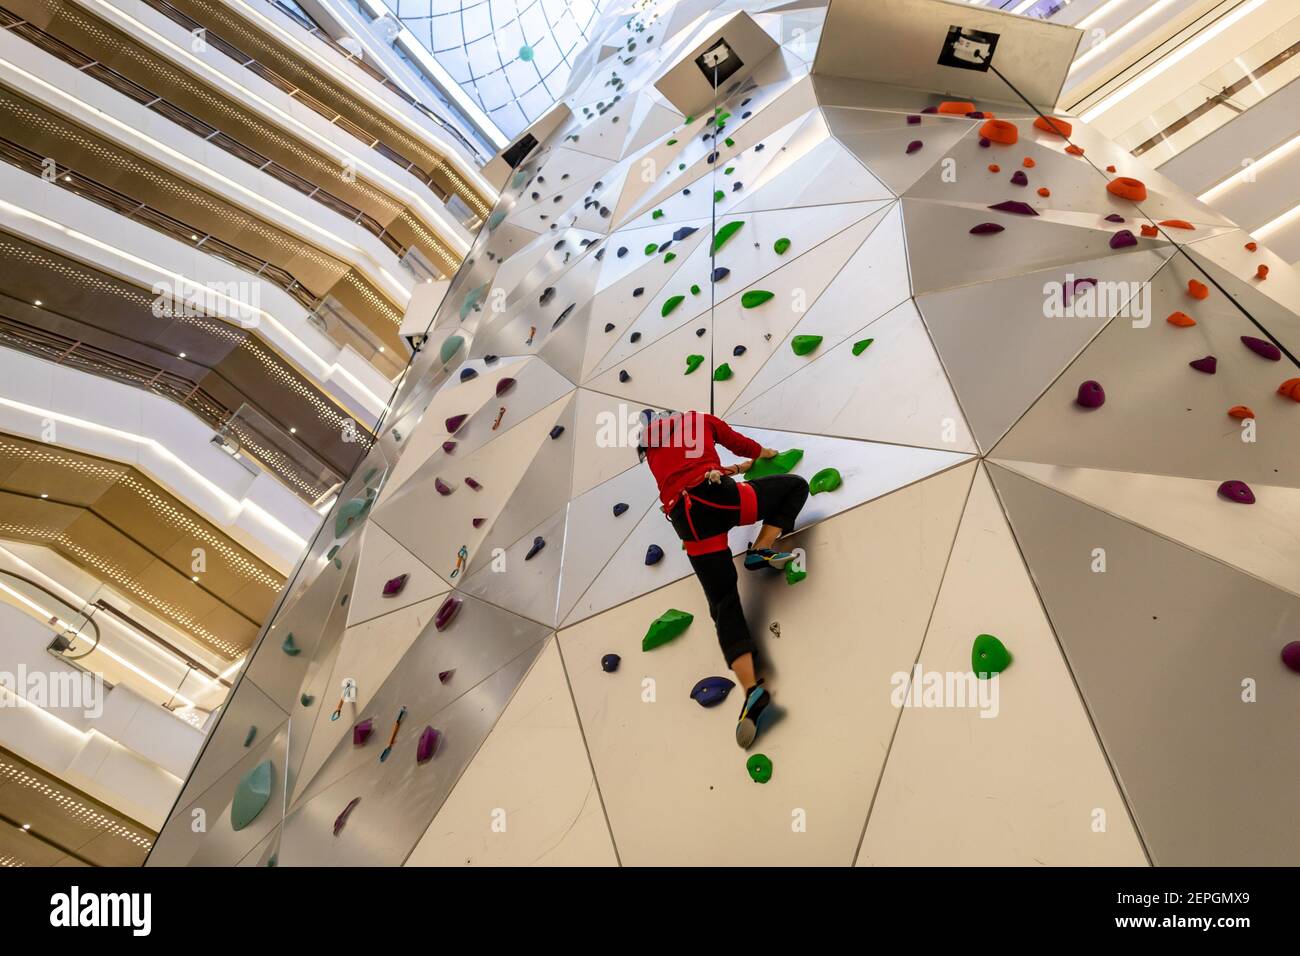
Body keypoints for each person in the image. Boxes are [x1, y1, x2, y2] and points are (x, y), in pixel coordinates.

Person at [638, 409, 808, 748]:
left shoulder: (651, 448)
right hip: (720, 498)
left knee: (722, 603)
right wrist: (764, 454)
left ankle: (751, 691)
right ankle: (760, 549)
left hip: (688, 523)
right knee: (794, 488)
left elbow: (685, 475)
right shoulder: (697, 420)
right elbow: (738, 444)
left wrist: (732, 470)